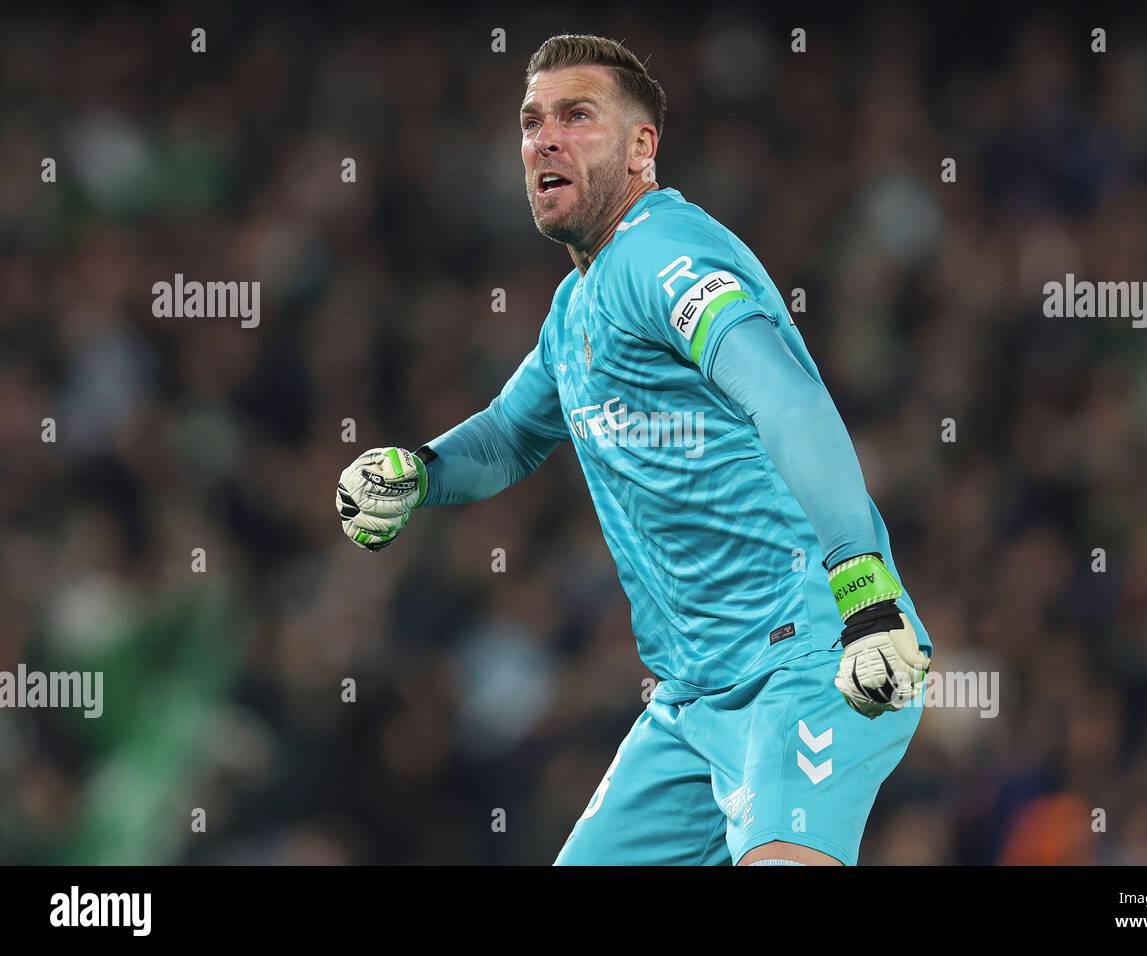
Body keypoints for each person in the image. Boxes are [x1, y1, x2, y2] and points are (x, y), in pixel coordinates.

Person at [336, 34, 933, 866]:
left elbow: (787, 397)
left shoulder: (663, 252)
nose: (543, 138)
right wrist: (421, 471)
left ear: (641, 145)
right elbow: (511, 435)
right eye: (531, 121)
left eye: (576, 116)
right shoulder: (577, 302)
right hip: (692, 703)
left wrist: (866, 592)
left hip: (806, 655)